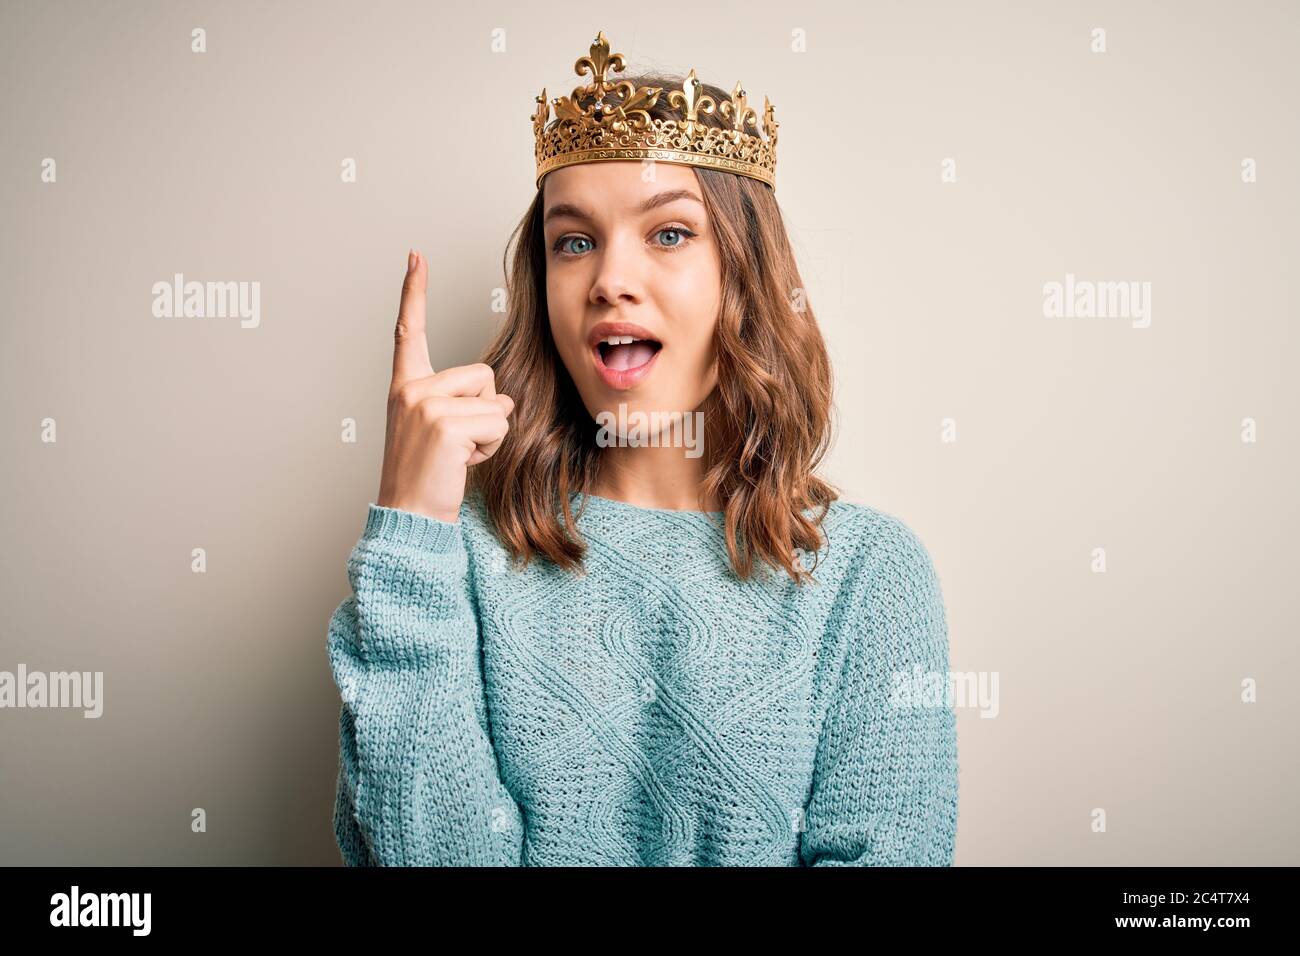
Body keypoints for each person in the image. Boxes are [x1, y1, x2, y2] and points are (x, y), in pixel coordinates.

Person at [326, 30, 958, 866]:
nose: (609, 280)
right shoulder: (458, 559)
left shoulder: (869, 577)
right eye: (574, 241)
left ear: (745, 275)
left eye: (668, 235)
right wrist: (410, 536)